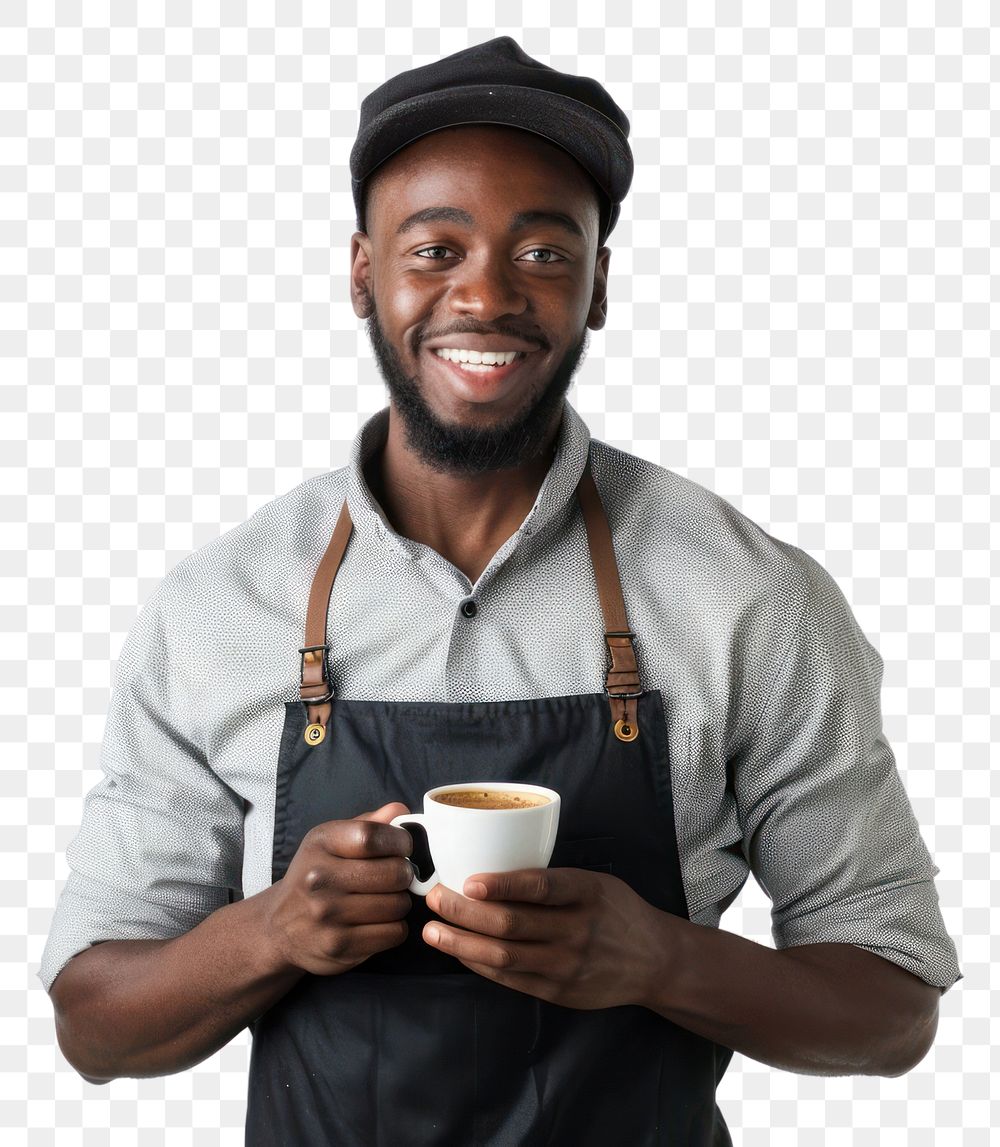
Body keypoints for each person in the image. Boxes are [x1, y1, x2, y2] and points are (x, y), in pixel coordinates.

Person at [40, 36, 962, 1146]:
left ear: (598, 286)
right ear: (360, 272)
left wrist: (659, 958)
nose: (484, 293)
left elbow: (891, 1009)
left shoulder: (752, 598)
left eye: (542, 251)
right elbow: (95, 1028)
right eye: (435, 248)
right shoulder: (218, 607)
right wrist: (270, 932)